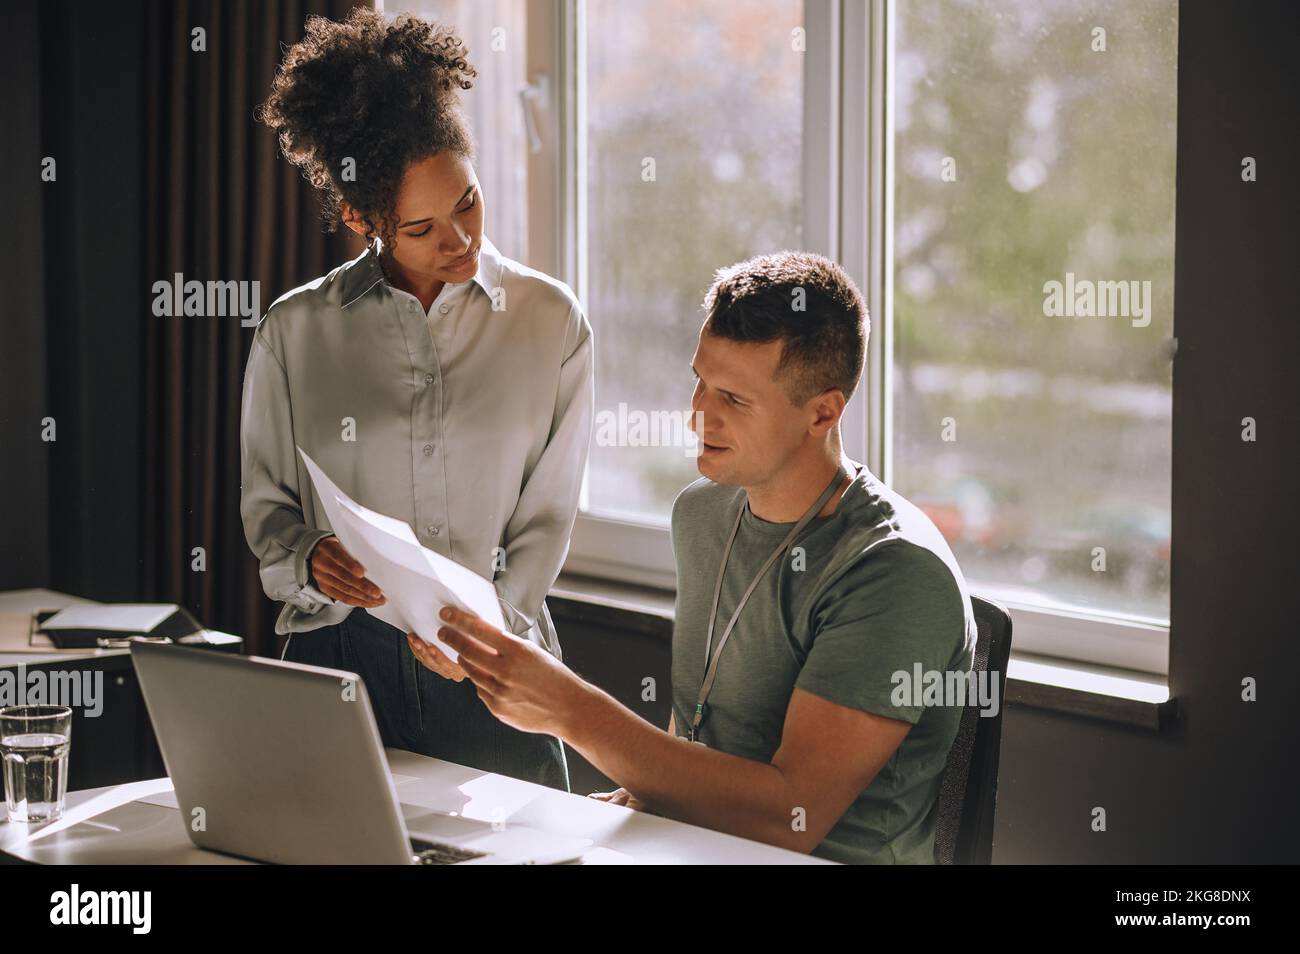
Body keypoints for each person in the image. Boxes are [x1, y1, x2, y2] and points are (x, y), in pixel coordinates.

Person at [408, 251, 976, 862]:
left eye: (734, 397)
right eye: (701, 380)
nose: (698, 414)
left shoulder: (894, 571)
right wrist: (640, 795)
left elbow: (791, 819)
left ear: (823, 412)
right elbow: (706, 726)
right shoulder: (703, 513)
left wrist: (570, 712)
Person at [239, 9, 592, 792]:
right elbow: (268, 509)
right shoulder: (296, 333)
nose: (461, 241)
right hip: (340, 665)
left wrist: (491, 628)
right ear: (364, 221)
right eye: (424, 228)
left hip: (496, 667)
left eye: (468, 202)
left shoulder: (550, 322)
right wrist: (309, 560)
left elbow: (548, 517)